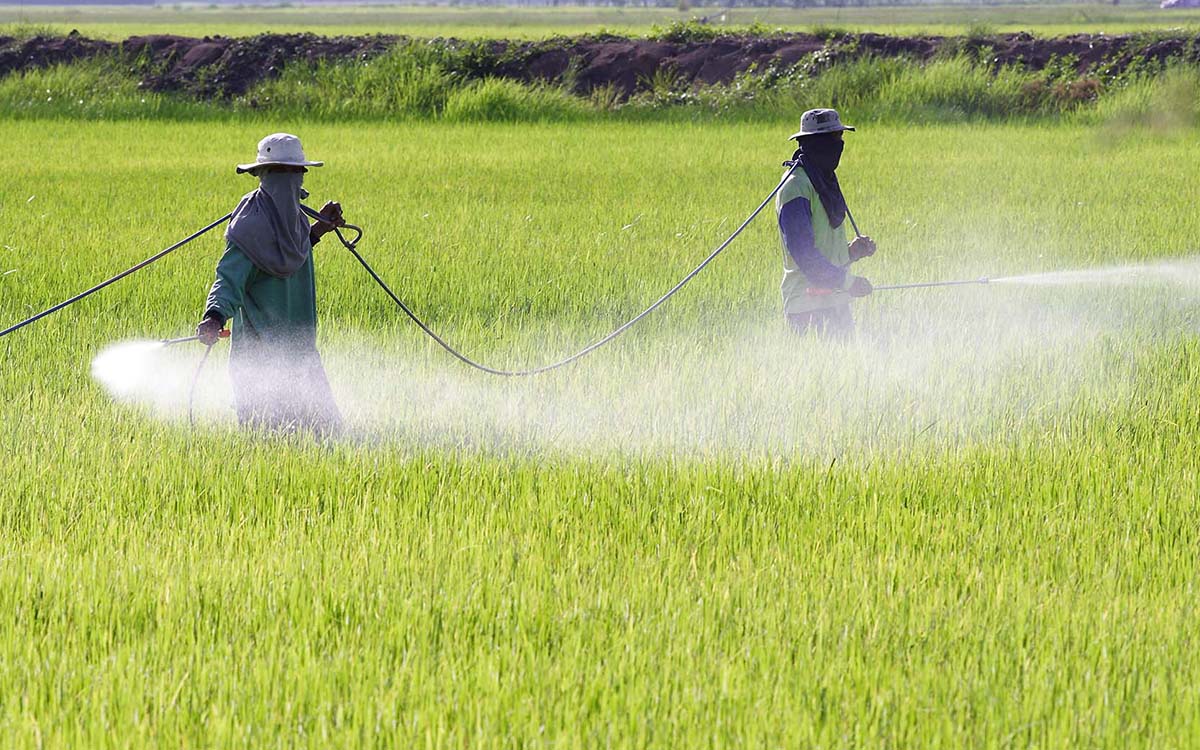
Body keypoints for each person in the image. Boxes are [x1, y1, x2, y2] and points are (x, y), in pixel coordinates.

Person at [196, 133, 346, 436]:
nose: (291, 179)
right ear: (263, 175)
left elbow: (288, 258)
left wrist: (319, 229)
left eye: (295, 173)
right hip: (259, 360)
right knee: (268, 438)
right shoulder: (251, 224)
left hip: (301, 353)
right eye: (283, 172)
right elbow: (229, 277)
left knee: (328, 437)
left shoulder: (296, 220)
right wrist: (214, 316)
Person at [776, 108, 876, 338]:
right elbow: (804, 254)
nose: (839, 145)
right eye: (834, 139)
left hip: (836, 303)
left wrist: (851, 253)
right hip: (808, 307)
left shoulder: (824, 180)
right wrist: (849, 282)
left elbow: (825, 249)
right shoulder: (795, 186)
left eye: (840, 138)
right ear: (816, 143)